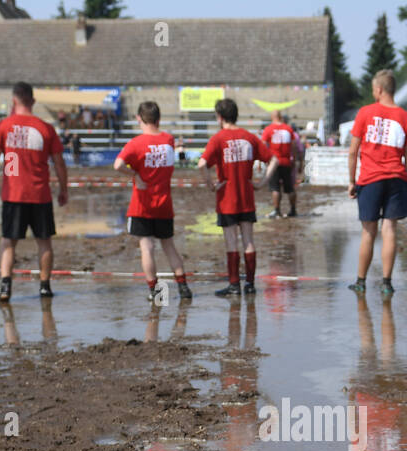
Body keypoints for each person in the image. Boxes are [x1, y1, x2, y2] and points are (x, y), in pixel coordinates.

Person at [0, 81, 68, 302]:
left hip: (14, 195)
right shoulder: (45, 128)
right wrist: (63, 189)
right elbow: (59, 163)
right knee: (44, 241)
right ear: (33, 101)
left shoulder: (4, 126)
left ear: (14, 101)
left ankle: (5, 286)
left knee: (8, 241)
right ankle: (45, 286)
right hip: (40, 194)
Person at [346, 69, 407, 296]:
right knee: (390, 229)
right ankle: (386, 282)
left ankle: (361, 280)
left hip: (370, 179)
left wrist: (351, 181)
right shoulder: (406, 118)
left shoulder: (365, 113)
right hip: (397, 177)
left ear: (378, 90)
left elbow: (353, 152)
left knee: (368, 231)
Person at [113, 100, 192, 302]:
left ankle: (156, 292)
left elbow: (117, 165)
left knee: (147, 248)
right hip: (164, 204)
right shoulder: (168, 140)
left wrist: (135, 175)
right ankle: (183, 287)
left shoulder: (136, 143)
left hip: (143, 205)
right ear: (158, 118)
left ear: (139, 118)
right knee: (169, 246)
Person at [198, 98, 276, 297]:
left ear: (220, 117)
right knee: (249, 241)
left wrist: (210, 185)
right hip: (247, 197)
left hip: (227, 200)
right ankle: (249, 284)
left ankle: (234, 285)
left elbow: (201, 164)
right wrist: (261, 183)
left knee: (231, 242)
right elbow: (273, 160)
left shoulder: (218, 139)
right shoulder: (249, 137)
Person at [261, 111, 301, 218]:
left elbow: (263, 146)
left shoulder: (268, 129)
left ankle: (276, 210)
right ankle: (293, 210)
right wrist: (295, 160)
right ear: (281, 117)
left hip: (274, 162)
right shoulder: (288, 129)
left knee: (275, 188)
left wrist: (264, 160)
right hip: (287, 162)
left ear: (272, 117)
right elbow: (294, 147)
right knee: (290, 188)